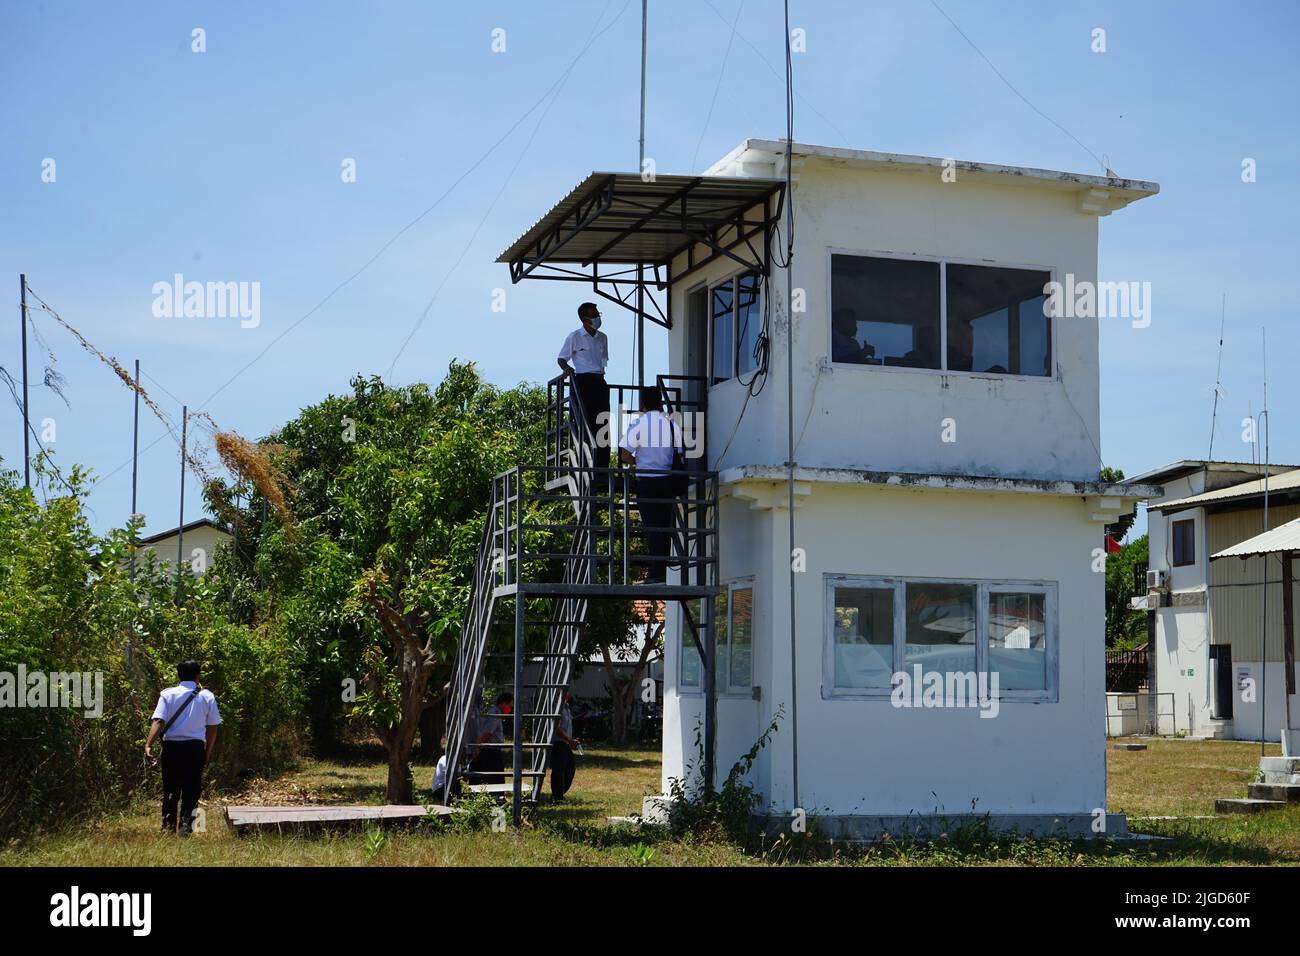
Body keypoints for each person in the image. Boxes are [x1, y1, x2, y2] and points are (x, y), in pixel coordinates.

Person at [145, 660, 220, 835]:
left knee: (170, 788)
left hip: (172, 748)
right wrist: (207, 752)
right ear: (198, 676)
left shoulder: (167, 694)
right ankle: (186, 829)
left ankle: (168, 827)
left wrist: (148, 745)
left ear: (178, 676)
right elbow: (213, 728)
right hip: (195, 748)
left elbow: (158, 721)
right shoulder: (207, 696)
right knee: (192, 789)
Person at [619, 387, 683, 584]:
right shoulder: (673, 425)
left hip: (647, 481)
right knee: (665, 526)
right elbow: (678, 454)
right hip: (667, 481)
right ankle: (661, 570)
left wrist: (642, 461)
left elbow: (624, 455)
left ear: (642, 404)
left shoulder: (639, 424)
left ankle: (656, 572)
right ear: (661, 403)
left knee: (651, 526)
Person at [556, 302, 611, 479]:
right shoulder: (575, 336)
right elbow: (561, 358)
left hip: (599, 381)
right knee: (584, 422)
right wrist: (567, 369)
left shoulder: (603, 337)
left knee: (602, 423)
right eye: (594, 314)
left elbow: (603, 361)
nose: (597, 317)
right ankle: (584, 464)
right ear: (585, 318)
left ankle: (602, 466)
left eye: (597, 313)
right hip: (583, 381)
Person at [467, 691, 510, 784]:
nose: (510, 709)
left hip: (491, 750)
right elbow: (487, 733)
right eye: (509, 706)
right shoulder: (495, 714)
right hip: (490, 751)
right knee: (494, 779)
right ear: (503, 703)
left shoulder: (495, 712)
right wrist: (478, 749)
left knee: (493, 778)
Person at [550, 693, 581, 801]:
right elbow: (556, 728)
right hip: (557, 743)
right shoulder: (556, 707)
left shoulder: (566, 707)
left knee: (570, 769)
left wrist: (571, 741)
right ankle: (557, 797)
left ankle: (559, 794)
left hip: (565, 743)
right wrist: (569, 740)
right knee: (559, 771)